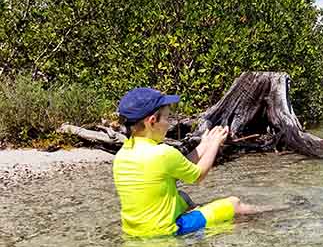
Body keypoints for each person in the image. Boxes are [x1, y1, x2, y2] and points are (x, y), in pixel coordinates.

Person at [112, 87, 274, 237]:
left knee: (181, 196)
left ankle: (199, 219)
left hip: (134, 231)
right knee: (234, 203)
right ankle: (275, 211)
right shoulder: (163, 153)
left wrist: (204, 145)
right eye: (167, 118)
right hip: (165, 231)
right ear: (152, 121)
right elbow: (198, 176)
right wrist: (215, 144)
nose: (169, 124)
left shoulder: (122, 155)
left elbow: (179, 165)